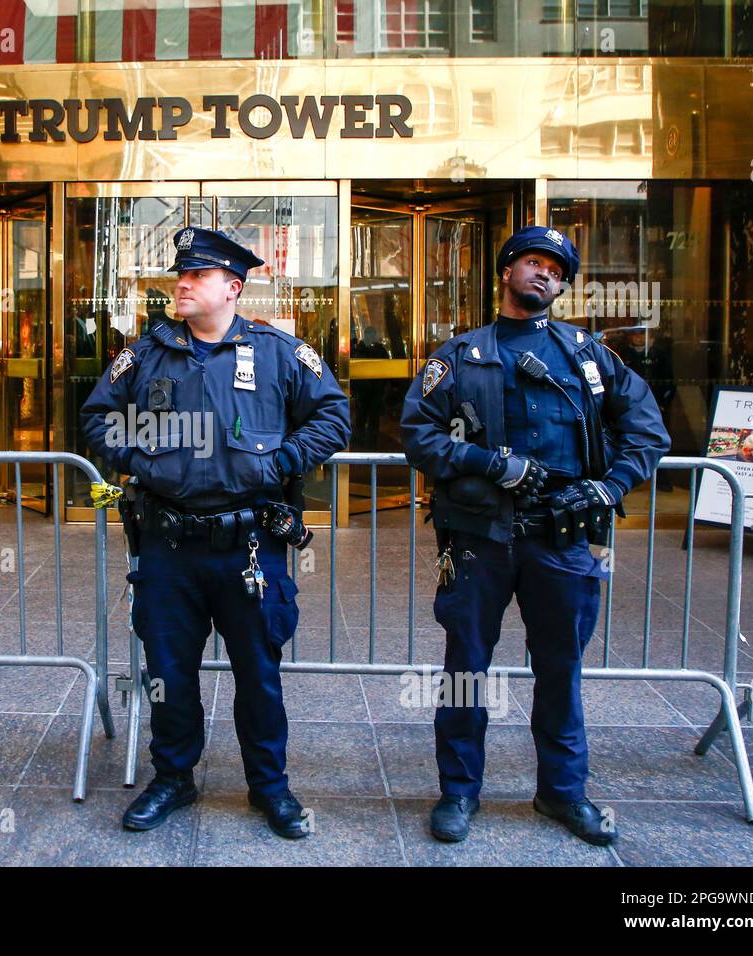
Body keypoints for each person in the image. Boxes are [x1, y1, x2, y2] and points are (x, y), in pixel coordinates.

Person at [401, 226, 669, 846]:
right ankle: (459, 792)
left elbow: (646, 431)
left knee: (560, 669)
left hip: (564, 537)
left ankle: (562, 793)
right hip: (478, 538)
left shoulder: (588, 355)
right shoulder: (461, 354)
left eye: (556, 268)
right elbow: (419, 433)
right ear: (506, 272)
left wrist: (609, 487)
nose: (544, 274)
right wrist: (490, 465)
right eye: (532, 262)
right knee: (466, 667)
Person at [81, 227, 350, 838]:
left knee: (259, 673)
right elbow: (98, 418)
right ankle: (173, 777)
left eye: (196, 276)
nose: (181, 283)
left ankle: (270, 787)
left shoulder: (280, 352)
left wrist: (280, 463)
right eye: (181, 275)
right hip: (168, 547)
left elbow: (333, 415)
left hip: (249, 547)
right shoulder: (146, 353)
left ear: (232, 288)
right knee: (168, 672)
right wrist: (142, 461)